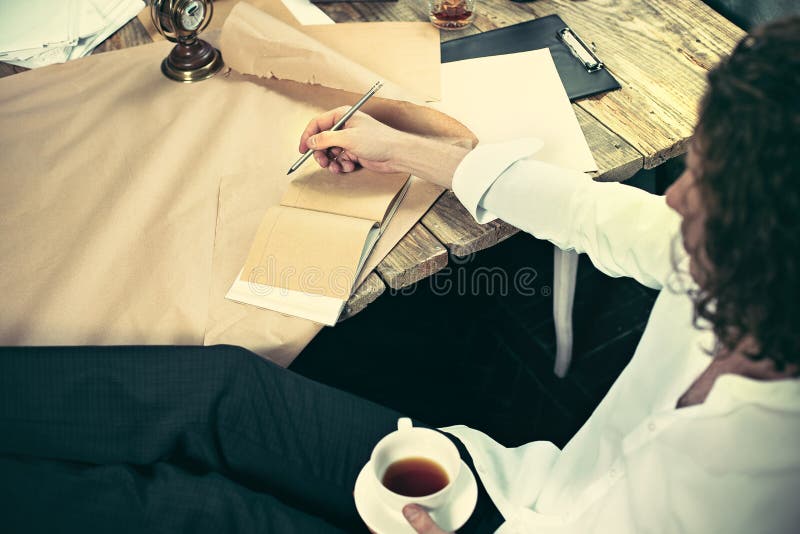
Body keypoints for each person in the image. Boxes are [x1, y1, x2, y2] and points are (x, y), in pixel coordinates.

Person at [1, 15, 798, 534]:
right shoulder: (732, 262)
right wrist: (407, 150)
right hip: (498, 483)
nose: (679, 197)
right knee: (221, 388)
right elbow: (594, 216)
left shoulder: (763, 476)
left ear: (768, 247)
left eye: (710, 192)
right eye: (697, 167)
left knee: (186, 510)